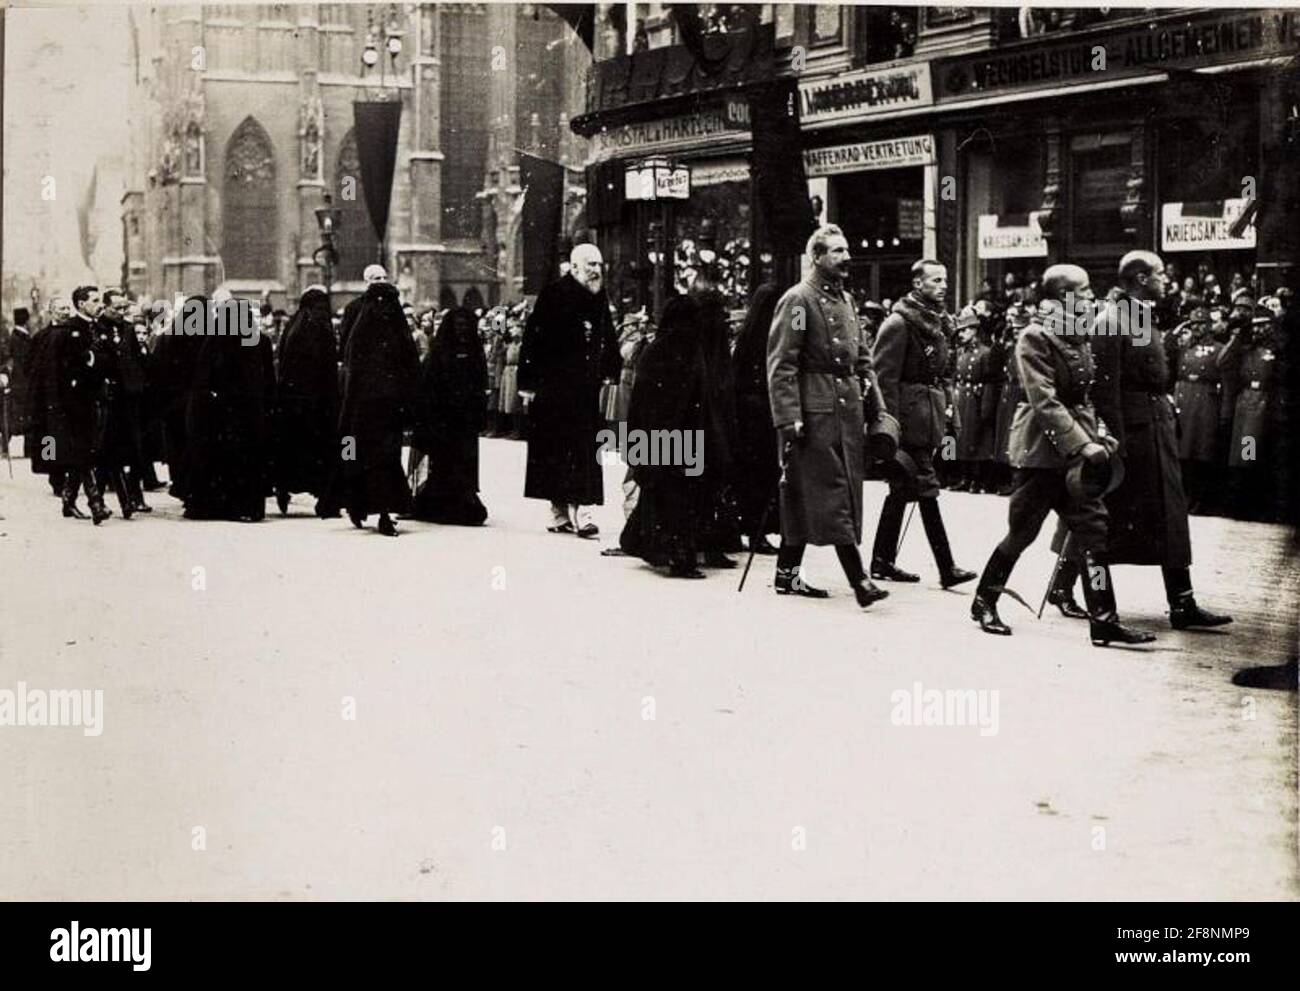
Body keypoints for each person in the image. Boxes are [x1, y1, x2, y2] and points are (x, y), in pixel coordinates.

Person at [970, 265, 1155, 646]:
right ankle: (984, 601)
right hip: (1040, 454)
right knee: (1022, 533)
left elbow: (1084, 397)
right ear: (1062, 296)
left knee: (1095, 531)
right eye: (1083, 291)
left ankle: (1104, 619)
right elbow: (1044, 400)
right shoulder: (1034, 337)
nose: (1090, 297)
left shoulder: (1080, 336)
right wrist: (1081, 443)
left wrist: (1100, 435)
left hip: (1076, 456)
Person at [1047, 250, 1231, 630]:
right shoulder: (1110, 321)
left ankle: (1182, 602)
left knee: (1169, 514)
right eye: (1161, 274)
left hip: (1156, 430)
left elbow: (1155, 375)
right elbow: (1105, 389)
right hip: (1130, 437)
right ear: (1142, 279)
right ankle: (1064, 587)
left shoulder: (1141, 316)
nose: (1169, 280)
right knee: (1105, 517)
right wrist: (1113, 443)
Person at [766, 224, 888, 608]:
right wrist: (789, 417)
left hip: (846, 410)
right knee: (832, 493)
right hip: (814, 410)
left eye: (846, 249)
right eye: (836, 251)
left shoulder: (848, 302)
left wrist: (876, 408)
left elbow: (864, 360)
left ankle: (786, 574)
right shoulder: (799, 302)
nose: (846, 257)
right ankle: (860, 581)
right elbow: (784, 363)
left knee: (811, 495)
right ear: (816, 257)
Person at [869, 259, 977, 589]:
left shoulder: (940, 323)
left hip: (928, 415)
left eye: (945, 280)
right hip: (906, 421)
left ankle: (881, 561)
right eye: (935, 281)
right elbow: (882, 378)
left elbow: (945, 377)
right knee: (927, 488)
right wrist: (888, 425)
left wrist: (950, 415)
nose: (943, 286)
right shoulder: (899, 324)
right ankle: (947, 567)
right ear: (918, 285)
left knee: (902, 491)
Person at [518, 243, 621, 538]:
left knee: (584, 450)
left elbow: (607, 335)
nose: (596, 270)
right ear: (574, 267)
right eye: (590, 265)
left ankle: (584, 512)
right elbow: (533, 339)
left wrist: (610, 368)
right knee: (555, 449)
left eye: (599, 265)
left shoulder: (598, 297)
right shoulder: (554, 294)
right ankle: (559, 511)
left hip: (584, 390)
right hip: (553, 389)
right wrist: (528, 383)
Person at [317, 275, 420, 536]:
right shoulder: (387, 325)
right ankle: (367, 505)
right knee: (364, 455)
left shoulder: (367, 322)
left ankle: (375, 508)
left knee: (372, 456)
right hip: (373, 408)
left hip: (375, 408)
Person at [617, 294, 711, 576]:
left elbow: (640, 402)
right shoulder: (689, 350)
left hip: (658, 438)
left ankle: (655, 547)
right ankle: (678, 557)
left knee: (660, 497)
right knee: (677, 500)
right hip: (679, 438)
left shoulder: (656, 350)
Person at [182, 295, 275, 522]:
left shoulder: (216, 340)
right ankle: (246, 508)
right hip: (247, 413)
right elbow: (268, 380)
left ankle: (218, 506)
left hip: (222, 413)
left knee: (222, 458)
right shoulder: (256, 340)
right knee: (245, 460)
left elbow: (204, 378)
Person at [411, 306, 489, 525]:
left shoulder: (474, 349)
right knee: (445, 462)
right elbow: (428, 383)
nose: (462, 330)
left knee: (462, 462)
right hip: (444, 417)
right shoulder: (440, 350)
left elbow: (481, 382)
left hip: (464, 418)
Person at [41, 286, 113, 523]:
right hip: (74, 402)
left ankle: (68, 500)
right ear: (81, 304)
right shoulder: (68, 331)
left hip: (95, 398)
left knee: (87, 450)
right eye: (94, 300)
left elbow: (106, 359)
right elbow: (59, 370)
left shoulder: (98, 327)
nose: (99, 304)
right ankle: (96, 504)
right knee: (84, 452)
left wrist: (94, 361)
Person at [272, 286, 339, 514]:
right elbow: (327, 365)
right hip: (319, 401)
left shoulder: (293, 325)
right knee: (321, 449)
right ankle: (324, 498)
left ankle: (284, 489)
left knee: (291, 448)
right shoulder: (321, 326)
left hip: (292, 400)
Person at [731, 283, 782, 556]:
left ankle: (752, 528)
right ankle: (757, 531)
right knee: (761, 476)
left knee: (754, 477)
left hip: (752, 415)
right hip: (760, 416)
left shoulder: (747, 337)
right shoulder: (768, 337)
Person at [1170, 305, 1226, 514]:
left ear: (1209, 327)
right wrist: (1180, 328)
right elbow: (1168, 348)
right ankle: (1184, 498)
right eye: (1193, 324)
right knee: (1183, 453)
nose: (1197, 328)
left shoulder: (1219, 349)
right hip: (1185, 402)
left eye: (1201, 324)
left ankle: (1199, 500)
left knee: (1202, 453)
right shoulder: (1185, 348)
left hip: (1205, 404)